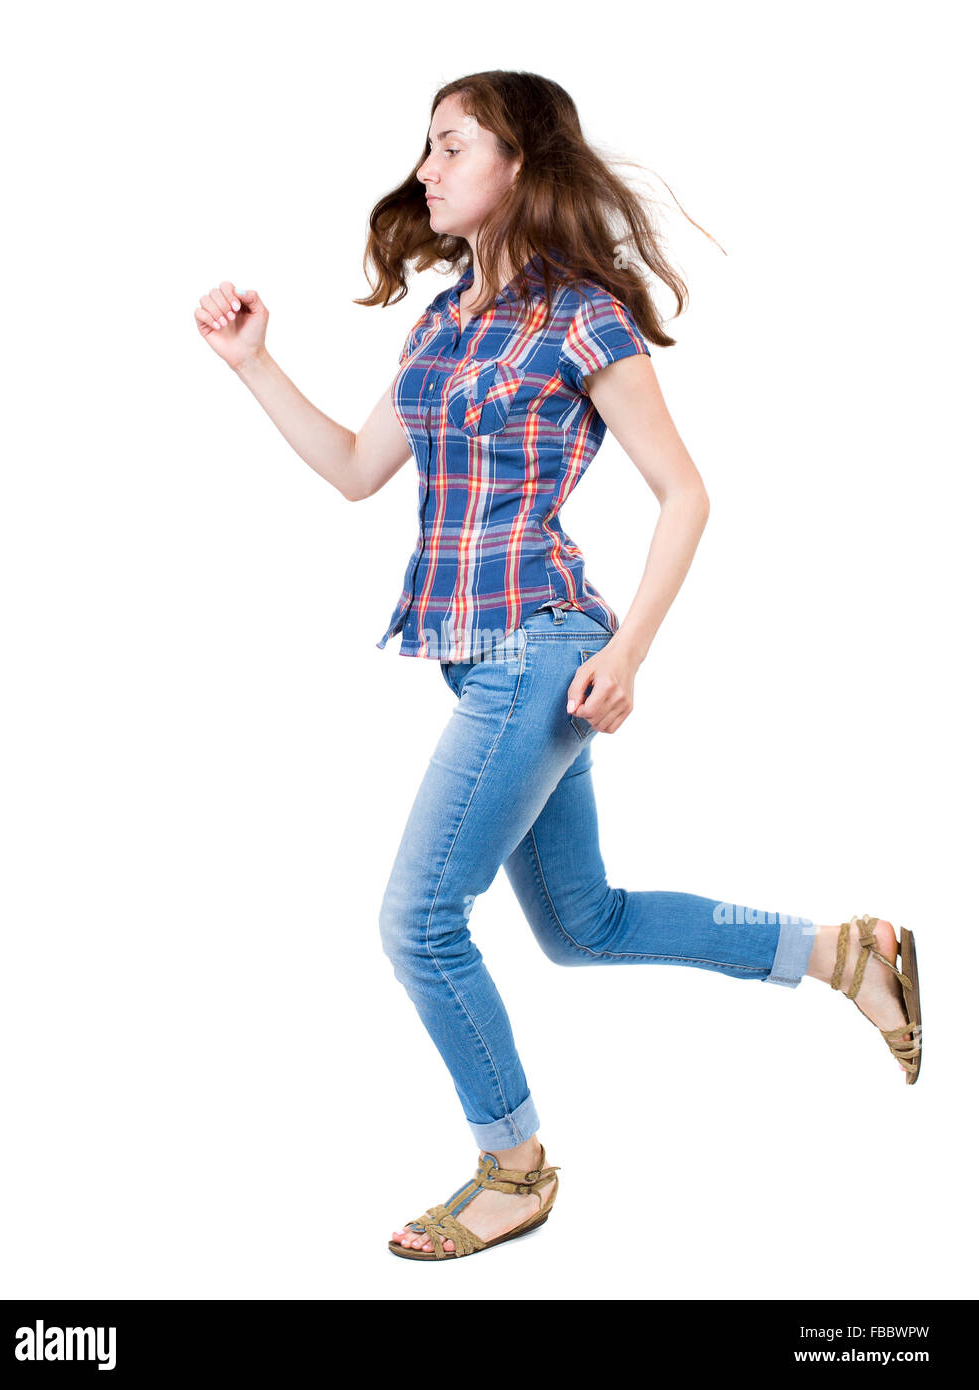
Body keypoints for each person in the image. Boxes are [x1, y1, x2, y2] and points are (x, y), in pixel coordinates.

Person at [193, 70, 922, 1263]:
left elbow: (686, 494)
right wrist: (251, 363)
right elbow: (351, 468)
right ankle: (847, 952)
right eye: (423, 149)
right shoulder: (441, 321)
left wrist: (629, 650)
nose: (424, 170)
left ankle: (513, 1166)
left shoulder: (581, 317)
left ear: (519, 163)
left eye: (450, 145)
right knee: (583, 925)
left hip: (542, 647)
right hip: (474, 657)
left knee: (418, 921)